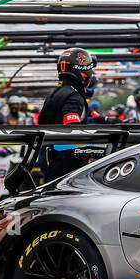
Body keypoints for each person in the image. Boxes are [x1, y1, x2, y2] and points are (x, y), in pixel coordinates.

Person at [38, 47, 95, 182]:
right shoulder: (73, 96)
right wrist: (94, 149)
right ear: (82, 74)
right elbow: (72, 130)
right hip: (64, 161)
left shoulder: (56, 92)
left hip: (50, 156)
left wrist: (104, 121)